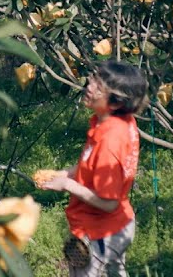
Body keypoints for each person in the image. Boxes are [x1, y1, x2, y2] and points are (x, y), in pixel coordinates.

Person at [42, 61, 148, 277]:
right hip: (117, 225)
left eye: (98, 86)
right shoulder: (116, 123)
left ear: (116, 102)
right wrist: (66, 173)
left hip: (101, 231)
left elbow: (109, 203)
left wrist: (68, 185)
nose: (89, 86)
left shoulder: (110, 141)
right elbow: (93, 163)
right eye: (93, 79)